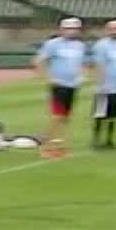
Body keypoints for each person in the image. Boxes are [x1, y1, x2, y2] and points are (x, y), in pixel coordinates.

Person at [34, 17, 88, 154]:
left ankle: (60, 143)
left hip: (72, 85)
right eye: (68, 28)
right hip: (59, 84)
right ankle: (46, 145)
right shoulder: (53, 44)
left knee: (66, 117)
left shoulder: (80, 46)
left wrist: (81, 75)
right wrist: (47, 78)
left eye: (74, 29)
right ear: (62, 30)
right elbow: (39, 60)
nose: (71, 31)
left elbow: (80, 63)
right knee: (57, 115)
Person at [89, 19, 116, 151]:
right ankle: (96, 140)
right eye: (114, 28)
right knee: (100, 114)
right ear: (107, 30)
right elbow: (99, 65)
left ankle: (109, 140)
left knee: (114, 115)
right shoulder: (101, 45)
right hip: (104, 86)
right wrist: (101, 83)